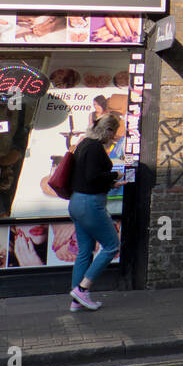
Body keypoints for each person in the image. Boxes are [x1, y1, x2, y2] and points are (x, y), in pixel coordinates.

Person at [67, 113, 122, 311]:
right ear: (107, 130)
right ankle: (82, 289)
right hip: (90, 204)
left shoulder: (83, 144)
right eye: (113, 132)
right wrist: (114, 174)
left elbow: (85, 177)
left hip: (76, 201)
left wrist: (111, 182)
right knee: (111, 246)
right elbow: (92, 177)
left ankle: (76, 301)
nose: (114, 137)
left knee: (84, 251)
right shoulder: (95, 147)